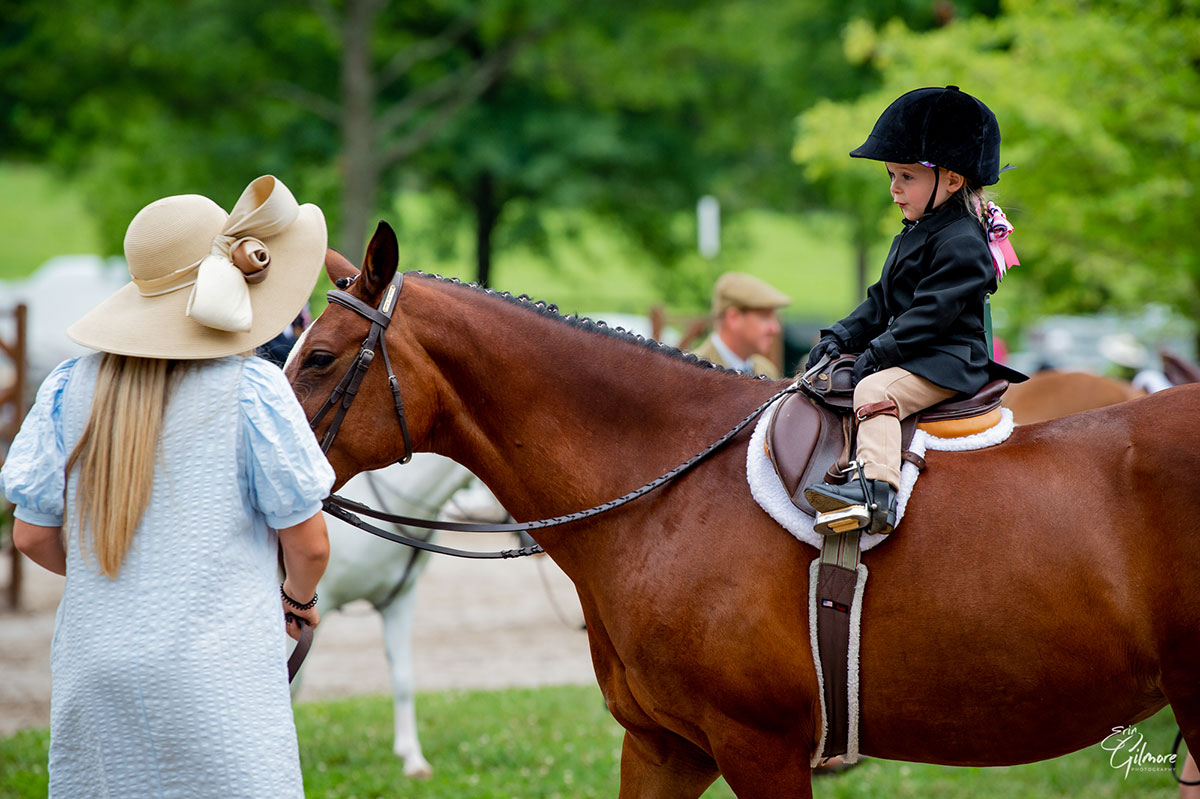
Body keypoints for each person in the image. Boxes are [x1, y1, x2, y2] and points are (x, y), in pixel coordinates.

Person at [0, 175, 335, 798]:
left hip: (92, 669)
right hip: (218, 669)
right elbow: (309, 545)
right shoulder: (250, 389)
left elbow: (29, 534)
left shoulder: (68, 386)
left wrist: (123, 581)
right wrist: (297, 600)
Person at [802, 85, 1027, 536]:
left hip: (946, 359)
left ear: (952, 180)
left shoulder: (964, 242)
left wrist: (878, 354)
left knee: (873, 391)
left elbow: (930, 315)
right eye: (891, 176)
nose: (894, 189)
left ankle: (877, 491)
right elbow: (881, 300)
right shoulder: (916, 230)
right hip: (918, 351)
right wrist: (839, 337)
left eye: (906, 177)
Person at [692, 271, 791, 378]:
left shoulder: (767, 371)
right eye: (765, 317)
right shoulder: (694, 372)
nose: (775, 328)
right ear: (733, 318)